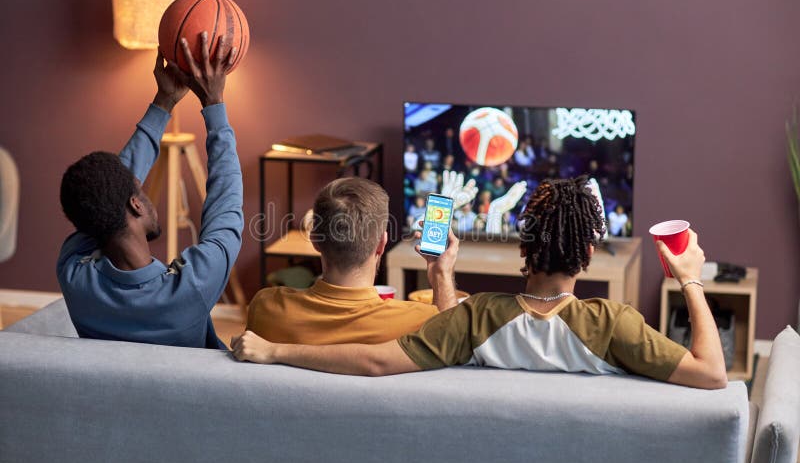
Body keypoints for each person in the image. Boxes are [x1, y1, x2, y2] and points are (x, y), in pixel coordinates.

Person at [233, 176, 727, 390]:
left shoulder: (474, 317)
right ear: (590, 256)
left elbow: (380, 359)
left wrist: (274, 350)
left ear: (522, 249)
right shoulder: (615, 323)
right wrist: (691, 281)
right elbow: (712, 375)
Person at [57, 32, 242, 349]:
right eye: (140, 190)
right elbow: (225, 207)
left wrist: (166, 100)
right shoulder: (192, 289)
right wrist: (213, 102)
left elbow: (112, 189)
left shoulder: (73, 274)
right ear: (136, 205)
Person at [247, 177, 459, 345]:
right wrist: (441, 272)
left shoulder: (265, 307)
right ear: (381, 244)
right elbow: (451, 341)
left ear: (314, 241)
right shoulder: (417, 322)